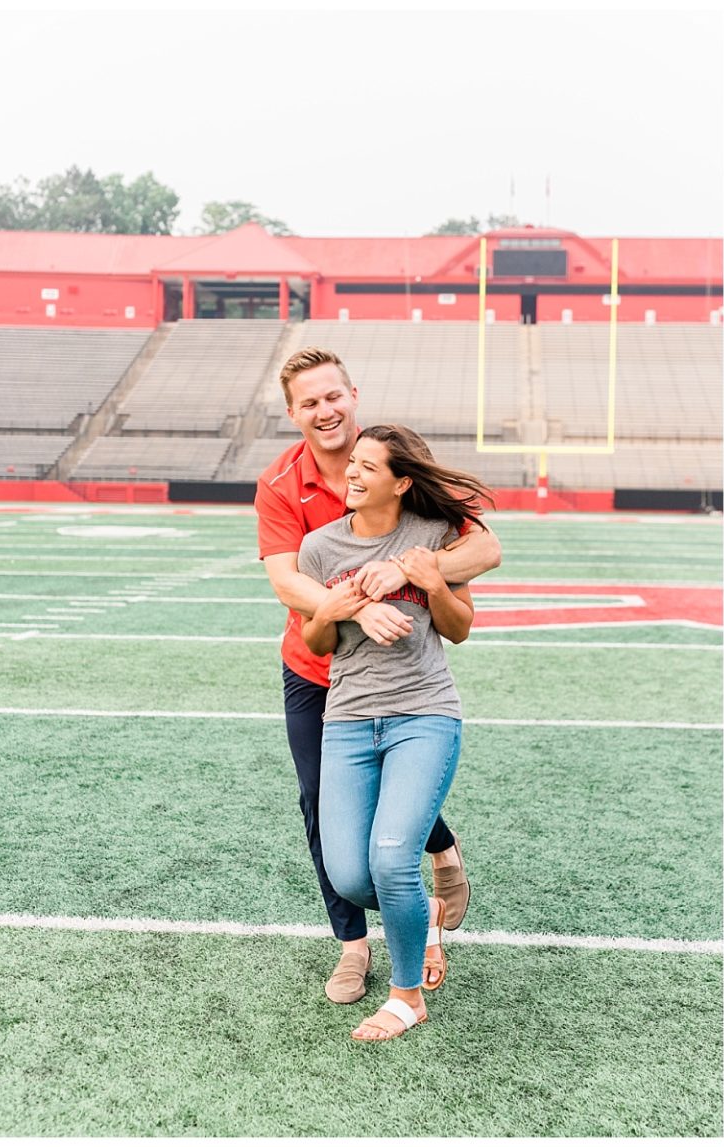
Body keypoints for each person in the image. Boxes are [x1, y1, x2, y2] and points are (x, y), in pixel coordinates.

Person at [255, 347, 500, 1006]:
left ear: (352, 394)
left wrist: (413, 567)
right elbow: (288, 580)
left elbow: (482, 546)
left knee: (398, 791)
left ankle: (434, 862)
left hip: (404, 680)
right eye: (309, 402)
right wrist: (360, 600)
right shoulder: (282, 483)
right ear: (293, 413)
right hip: (316, 665)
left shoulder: (396, 463)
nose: (325, 410)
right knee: (322, 802)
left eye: (333, 395)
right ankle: (352, 945)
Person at [298, 424, 490, 1039]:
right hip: (348, 720)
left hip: (424, 715)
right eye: (351, 464)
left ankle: (406, 996)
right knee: (351, 875)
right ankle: (422, 912)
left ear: (402, 482)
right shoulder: (320, 549)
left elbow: (458, 629)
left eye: (367, 468)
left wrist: (430, 580)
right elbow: (316, 641)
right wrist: (337, 606)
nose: (350, 474)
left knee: (391, 856)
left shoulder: (431, 537)